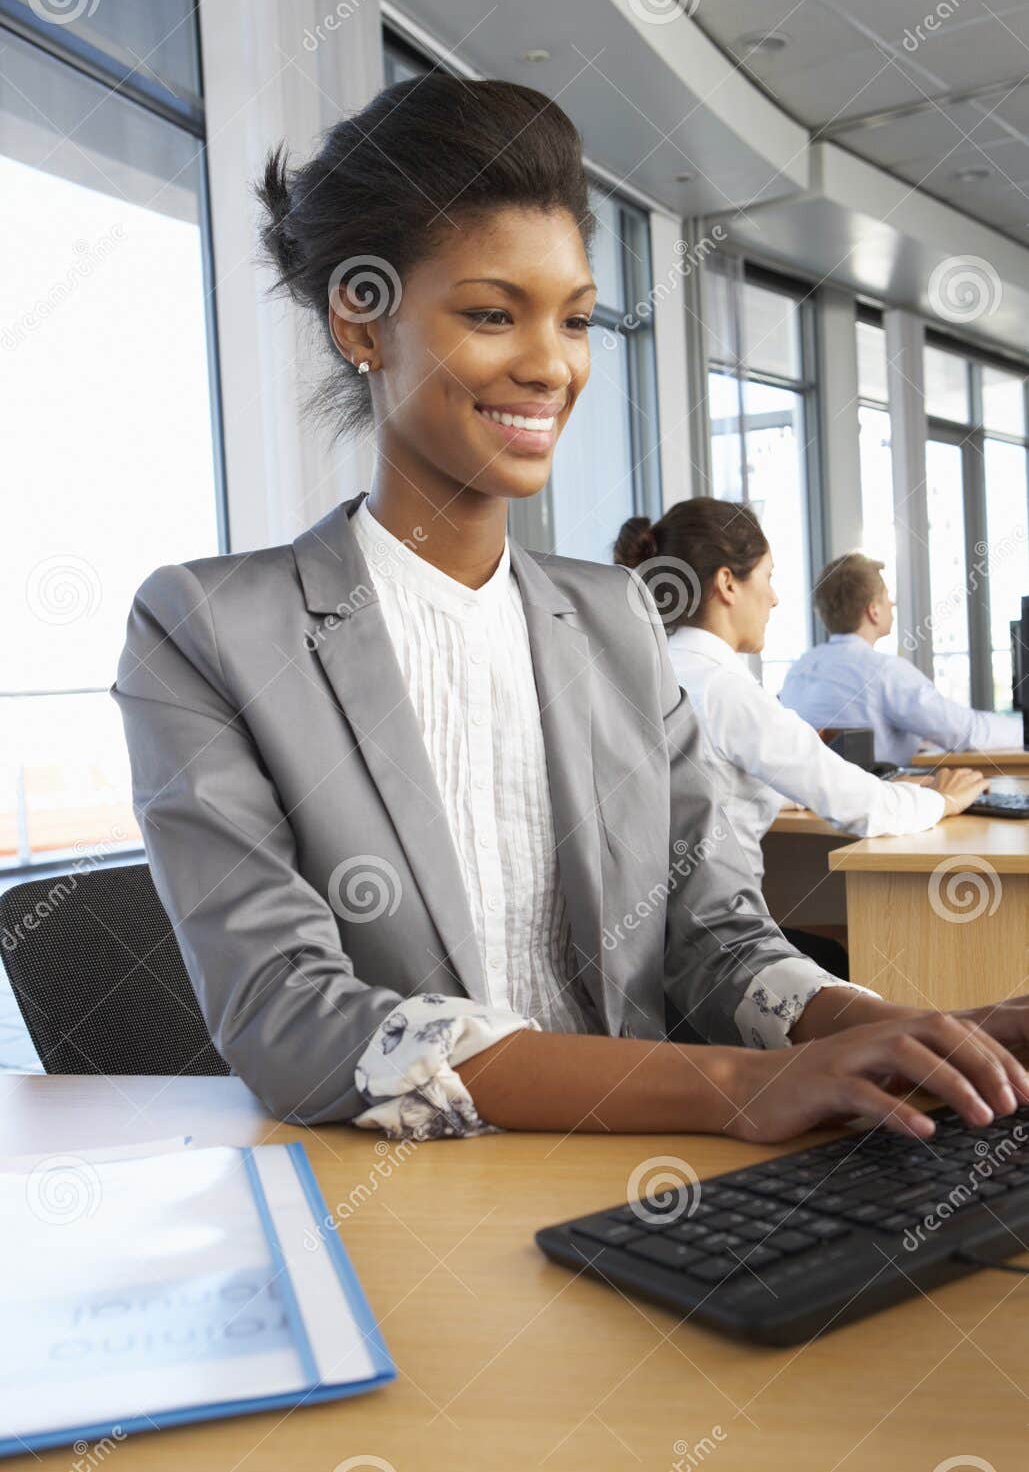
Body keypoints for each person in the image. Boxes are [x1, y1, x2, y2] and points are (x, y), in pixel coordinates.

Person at [111, 73, 1029, 1149]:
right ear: (361, 322)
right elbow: (292, 1014)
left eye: (579, 318)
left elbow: (711, 935)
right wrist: (735, 1088)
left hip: (638, 1178)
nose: (551, 364)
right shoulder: (209, 626)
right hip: (409, 1215)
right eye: (493, 313)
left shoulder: (618, 622)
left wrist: (889, 1031)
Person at [613, 500, 987, 977]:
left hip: (652, 947)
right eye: (768, 577)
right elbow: (864, 809)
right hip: (719, 950)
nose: (774, 599)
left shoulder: (652, 669)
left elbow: (707, 788)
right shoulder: (728, 689)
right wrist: (943, 802)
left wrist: (894, 788)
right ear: (728, 583)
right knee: (848, 963)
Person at [780, 552, 1024, 765]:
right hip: (877, 806)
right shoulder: (883, 671)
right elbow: (965, 731)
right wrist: (1025, 729)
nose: (892, 603)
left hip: (812, 810)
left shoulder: (798, 670)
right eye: (886, 596)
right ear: (873, 610)